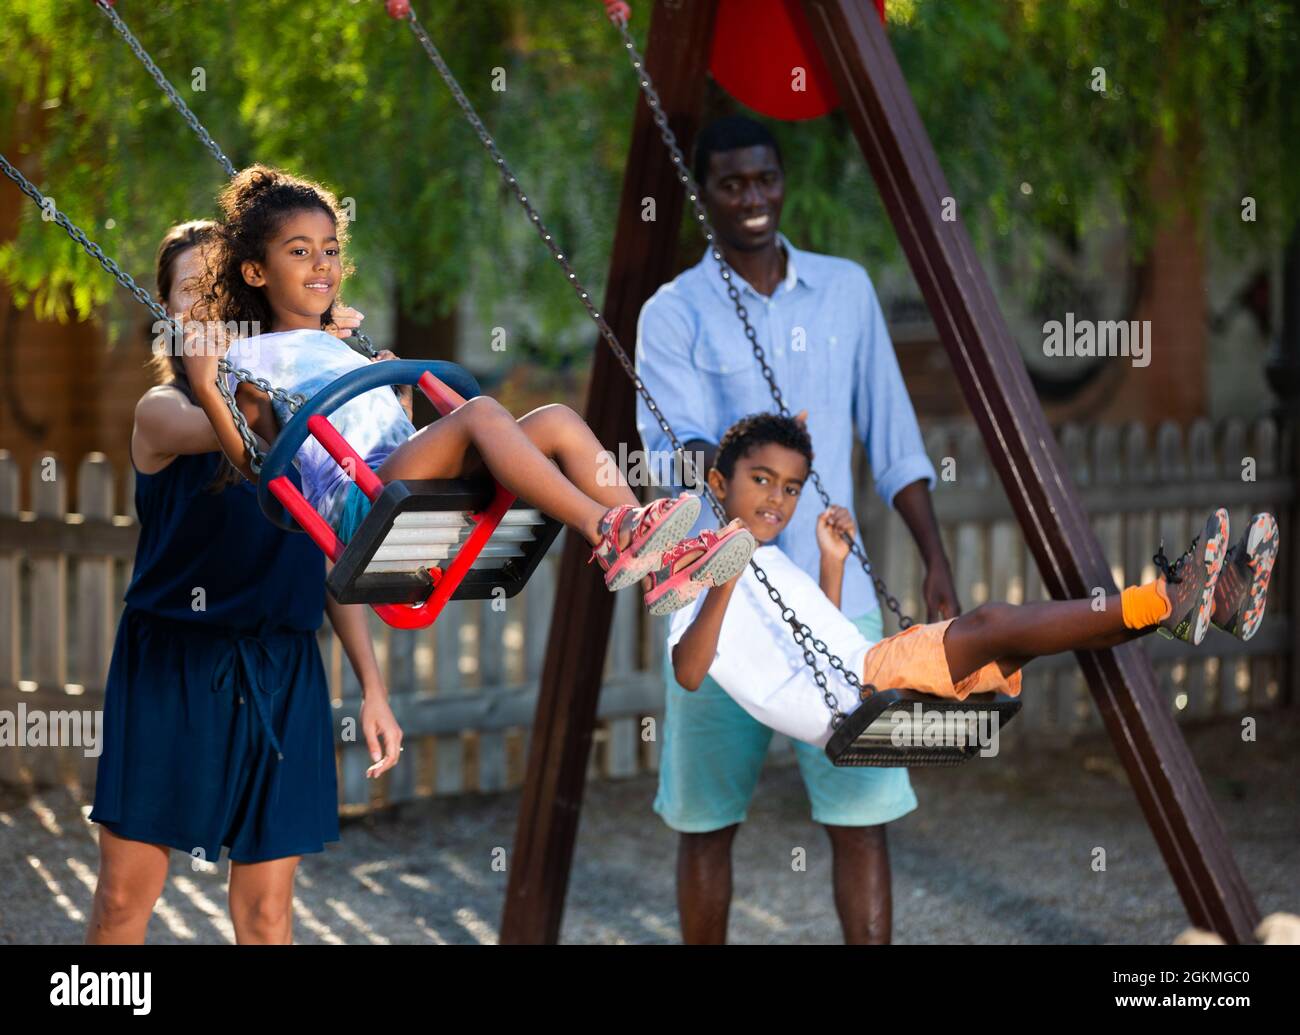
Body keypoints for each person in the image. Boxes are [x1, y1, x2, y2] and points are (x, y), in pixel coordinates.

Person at [634, 114, 958, 943]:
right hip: (720, 603)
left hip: (834, 600)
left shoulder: (845, 289)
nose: (752, 198)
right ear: (703, 195)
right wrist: (763, 447)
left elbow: (893, 436)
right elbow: (676, 452)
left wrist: (934, 559)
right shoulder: (672, 314)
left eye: (765, 179)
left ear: (784, 181)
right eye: (731, 184)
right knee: (705, 821)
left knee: (861, 816)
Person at [185, 164, 754, 614]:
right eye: (299, 251)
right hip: (361, 501)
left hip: (403, 479)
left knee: (555, 418)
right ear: (256, 272)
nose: (322, 264)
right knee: (480, 413)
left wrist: (397, 398)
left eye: (330, 249)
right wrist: (209, 390)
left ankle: (652, 562)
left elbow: (395, 436)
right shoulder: (248, 358)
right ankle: (605, 528)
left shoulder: (344, 345)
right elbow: (262, 466)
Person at [86, 221, 399, 945]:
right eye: (187, 292)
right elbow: (246, 428)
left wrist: (372, 686)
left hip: (282, 665)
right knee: (123, 900)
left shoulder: (300, 404)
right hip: (171, 665)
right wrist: (321, 355)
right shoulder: (162, 414)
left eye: (216, 288)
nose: (204, 306)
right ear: (164, 311)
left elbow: (330, 557)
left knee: (266, 914)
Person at [670, 413, 1280, 753]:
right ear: (719, 486)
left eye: (791, 487)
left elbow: (815, 639)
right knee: (994, 621)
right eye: (760, 480)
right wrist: (723, 575)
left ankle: (1206, 604)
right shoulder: (699, 574)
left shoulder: (778, 562)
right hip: (860, 688)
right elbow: (689, 671)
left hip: (858, 674)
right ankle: (1173, 599)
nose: (777, 499)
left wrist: (831, 562)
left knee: (1026, 639)